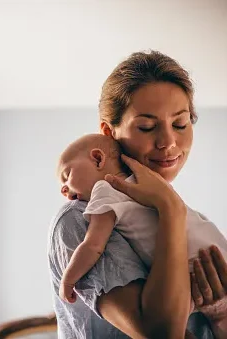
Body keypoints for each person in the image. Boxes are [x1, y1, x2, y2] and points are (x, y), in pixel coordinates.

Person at [48, 50, 227, 339]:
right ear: (109, 132)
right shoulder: (79, 218)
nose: (168, 143)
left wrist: (220, 314)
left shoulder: (196, 225)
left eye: (180, 124)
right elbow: (162, 333)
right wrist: (170, 208)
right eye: (146, 127)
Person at [55, 134, 227, 332]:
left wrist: (68, 280)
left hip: (194, 265)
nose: (63, 188)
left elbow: (93, 245)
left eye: (67, 175)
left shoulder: (105, 189)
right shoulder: (154, 189)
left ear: (98, 159)